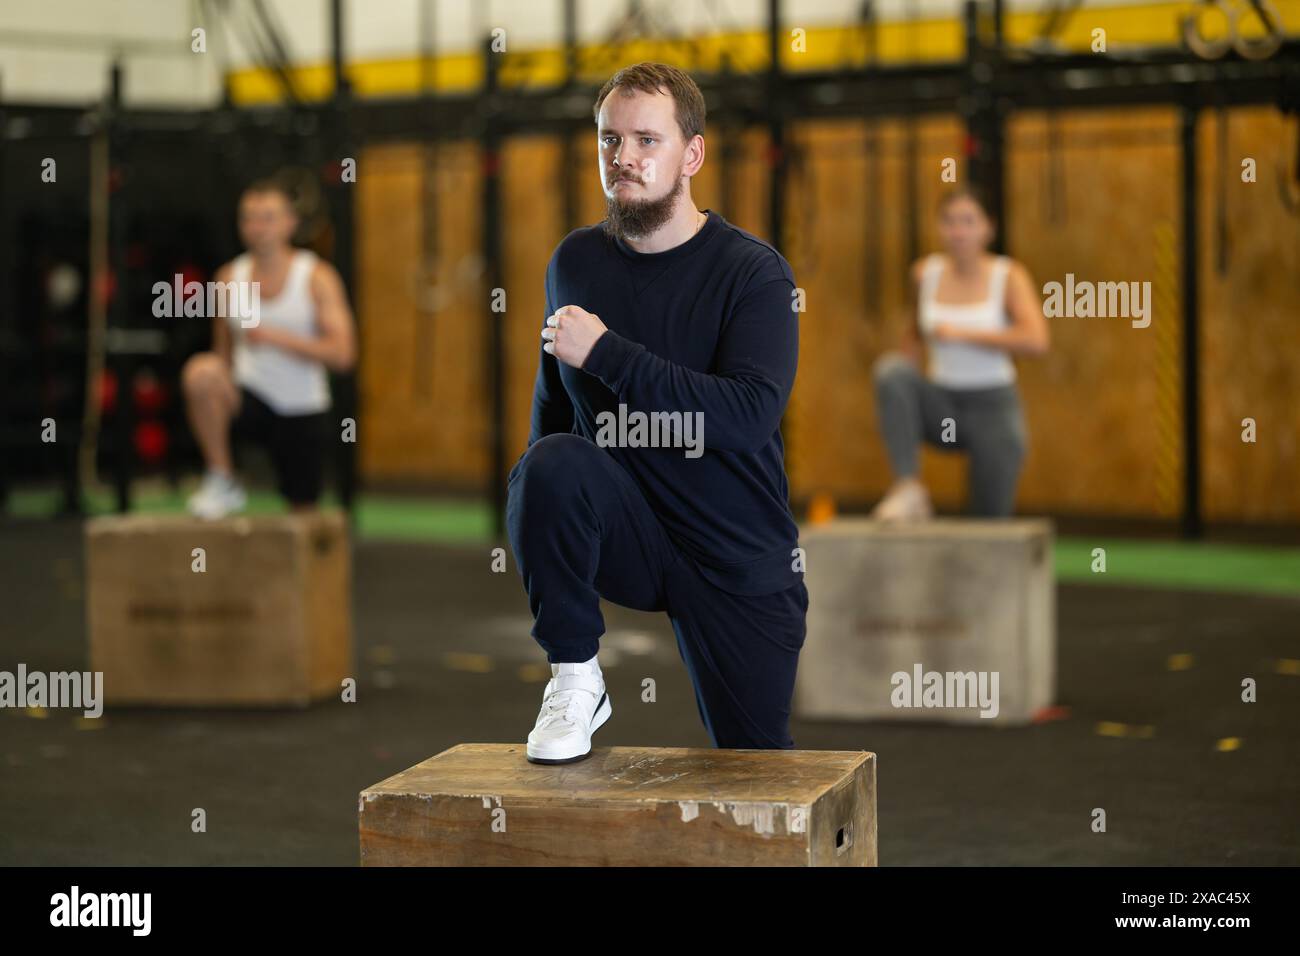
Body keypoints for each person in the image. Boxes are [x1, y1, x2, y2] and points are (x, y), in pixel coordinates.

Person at [507, 62, 807, 764]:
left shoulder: (753, 274)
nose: (625, 159)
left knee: (757, 768)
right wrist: (537, 506)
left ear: (691, 154)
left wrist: (610, 353)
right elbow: (552, 408)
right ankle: (577, 678)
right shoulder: (574, 263)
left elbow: (746, 416)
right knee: (548, 465)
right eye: (610, 141)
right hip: (631, 535)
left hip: (734, 551)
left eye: (647, 140)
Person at [181, 179, 356, 519]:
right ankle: (222, 479)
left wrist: (276, 337)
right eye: (248, 218)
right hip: (250, 402)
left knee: (303, 514)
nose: (257, 227)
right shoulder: (228, 278)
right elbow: (222, 355)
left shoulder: (317, 277)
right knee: (201, 373)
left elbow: (344, 355)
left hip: (300, 407)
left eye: (267, 218)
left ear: (290, 223)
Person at [870, 186, 1048, 520]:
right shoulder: (925, 273)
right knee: (891, 372)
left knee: (989, 524)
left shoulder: (1008, 275)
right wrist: (904, 397)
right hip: (943, 403)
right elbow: (914, 334)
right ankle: (908, 488)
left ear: (988, 228)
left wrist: (963, 334)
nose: (958, 231)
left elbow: (1036, 341)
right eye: (950, 222)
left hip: (992, 406)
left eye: (968, 221)